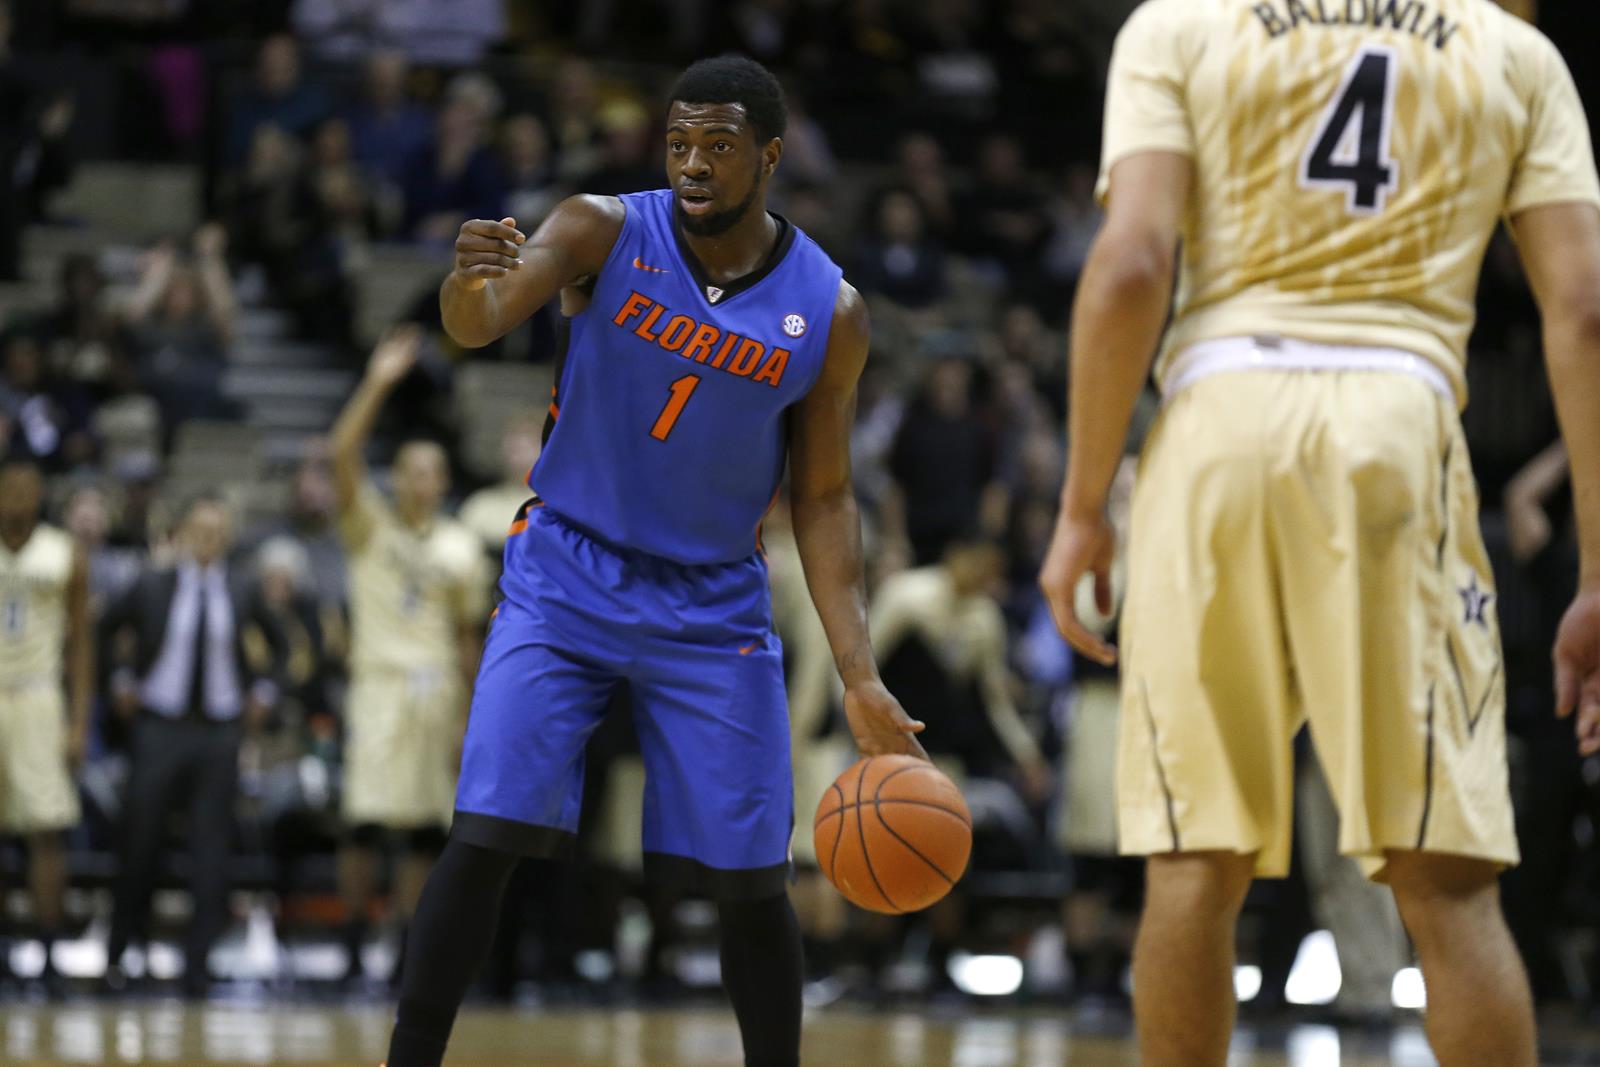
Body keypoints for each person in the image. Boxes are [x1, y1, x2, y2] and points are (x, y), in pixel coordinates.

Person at [1038, 4, 1600, 1066]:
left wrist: (1078, 509)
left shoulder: (1180, 25)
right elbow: (1582, 311)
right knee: (1444, 877)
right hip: (1396, 423)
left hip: (1213, 416)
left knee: (1191, 863)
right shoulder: (1512, 51)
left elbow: (1126, 268)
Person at [385, 55, 926, 1067]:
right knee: (489, 828)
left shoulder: (829, 309)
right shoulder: (601, 226)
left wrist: (859, 672)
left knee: (749, 877)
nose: (691, 164)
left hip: (712, 600)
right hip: (565, 571)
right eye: (677, 143)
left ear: (768, 156)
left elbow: (822, 495)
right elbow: (480, 323)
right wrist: (468, 284)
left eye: (717, 146)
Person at [329, 327, 489, 987]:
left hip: (437, 691)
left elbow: (467, 639)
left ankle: (405, 951)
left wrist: (469, 717)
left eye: (431, 471)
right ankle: (351, 946)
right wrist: (378, 381)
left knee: (425, 833)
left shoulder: (461, 547)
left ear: (443, 480)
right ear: (396, 477)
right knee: (364, 824)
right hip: (379, 685)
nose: (420, 479)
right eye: (410, 469)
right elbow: (340, 453)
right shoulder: (370, 526)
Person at [102, 493, 280, 998]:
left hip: (220, 732)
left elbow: (281, 646)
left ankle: (197, 969)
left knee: (211, 853)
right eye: (199, 530)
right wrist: (119, 682)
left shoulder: (243, 586)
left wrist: (264, 692)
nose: (208, 540)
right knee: (139, 841)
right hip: (160, 725)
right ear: (181, 532)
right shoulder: (152, 582)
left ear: (227, 536)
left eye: (217, 531)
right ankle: (120, 957)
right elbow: (105, 628)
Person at [0, 460, 90, 995]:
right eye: (8, 486)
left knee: (47, 832)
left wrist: (79, 720)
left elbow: (82, 645)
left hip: (38, 694)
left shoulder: (65, 553)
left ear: (40, 494)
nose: (16, 495)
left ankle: (50, 952)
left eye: (26, 487)